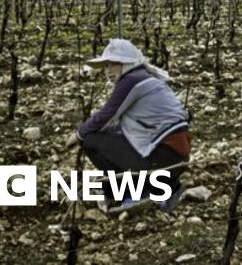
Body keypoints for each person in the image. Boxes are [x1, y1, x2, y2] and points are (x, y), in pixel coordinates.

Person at [65, 38, 191, 212]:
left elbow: (106, 115)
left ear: (126, 63)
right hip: (175, 158)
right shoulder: (147, 79)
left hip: (161, 157)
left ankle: (138, 193)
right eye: (105, 66)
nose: (107, 71)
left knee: (90, 139)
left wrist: (78, 135)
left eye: (111, 65)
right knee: (109, 175)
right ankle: (166, 187)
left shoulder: (131, 81)